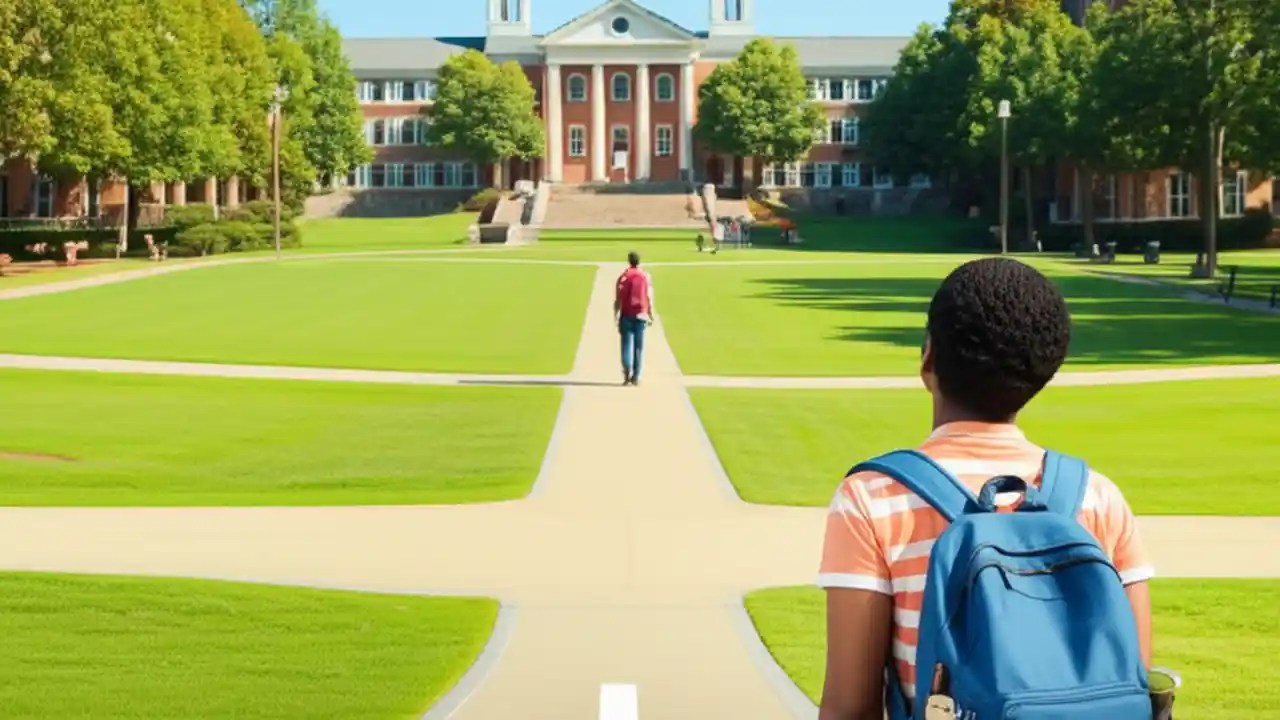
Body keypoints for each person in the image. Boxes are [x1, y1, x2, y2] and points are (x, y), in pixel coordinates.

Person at [818, 258, 1154, 720]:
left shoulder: (873, 498)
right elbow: (1133, 682)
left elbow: (850, 707)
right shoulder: (1097, 498)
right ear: (1043, 369)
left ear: (929, 356)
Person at [614, 251, 654, 386]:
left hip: (626, 313)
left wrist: (616, 314)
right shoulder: (645, 276)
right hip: (641, 313)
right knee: (638, 347)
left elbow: (618, 298)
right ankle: (636, 376)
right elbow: (648, 297)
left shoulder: (624, 277)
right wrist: (650, 314)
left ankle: (626, 373)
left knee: (626, 345)